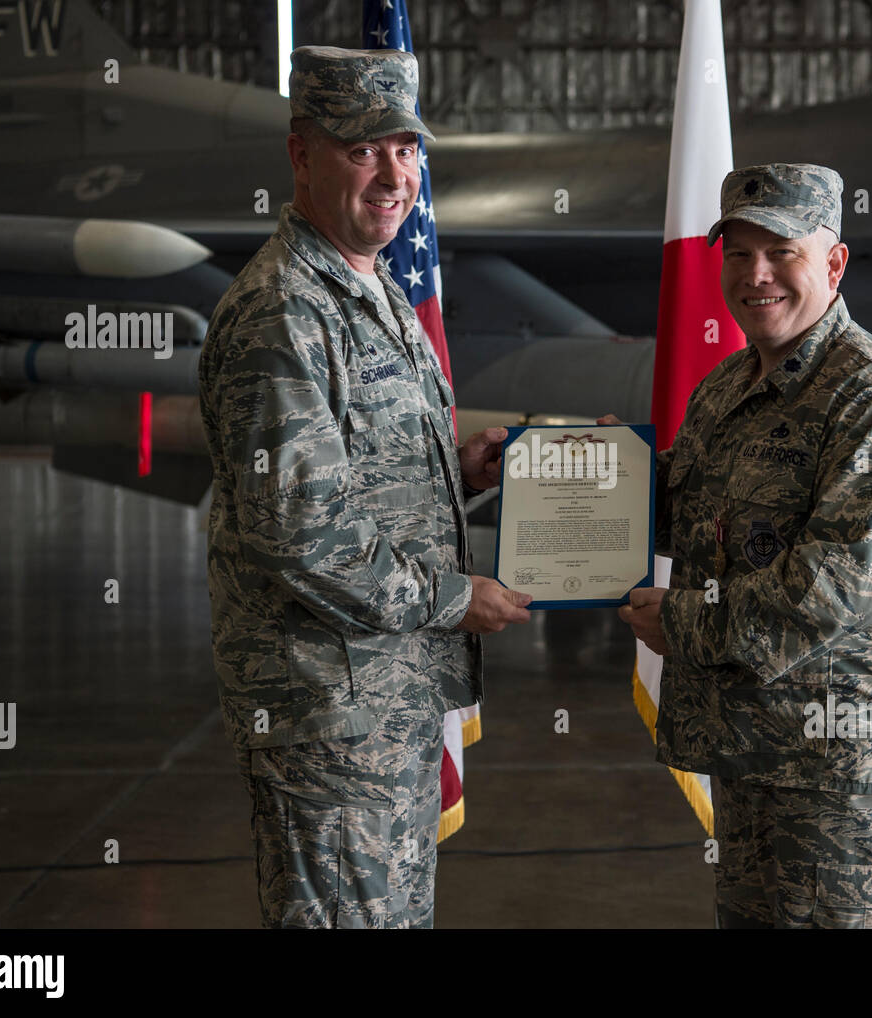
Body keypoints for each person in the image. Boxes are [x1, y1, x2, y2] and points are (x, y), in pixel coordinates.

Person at [197, 46, 531, 929]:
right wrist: (458, 597)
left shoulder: (370, 286)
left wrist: (462, 475)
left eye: (407, 149)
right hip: (327, 717)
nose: (395, 176)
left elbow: (354, 477)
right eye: (363, 150)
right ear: (301, 154)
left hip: (387, 699)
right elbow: (301, 539)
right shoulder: (282, 313)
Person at [615, 163, 872, 929]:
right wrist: (570, 475)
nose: (756, 274)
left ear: (833, 263)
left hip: (853, 777)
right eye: (739, 253)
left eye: (782, 252)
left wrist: (686, 626)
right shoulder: (730, 384)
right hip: (762, 757)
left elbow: (843, 586)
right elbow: (696, 512)